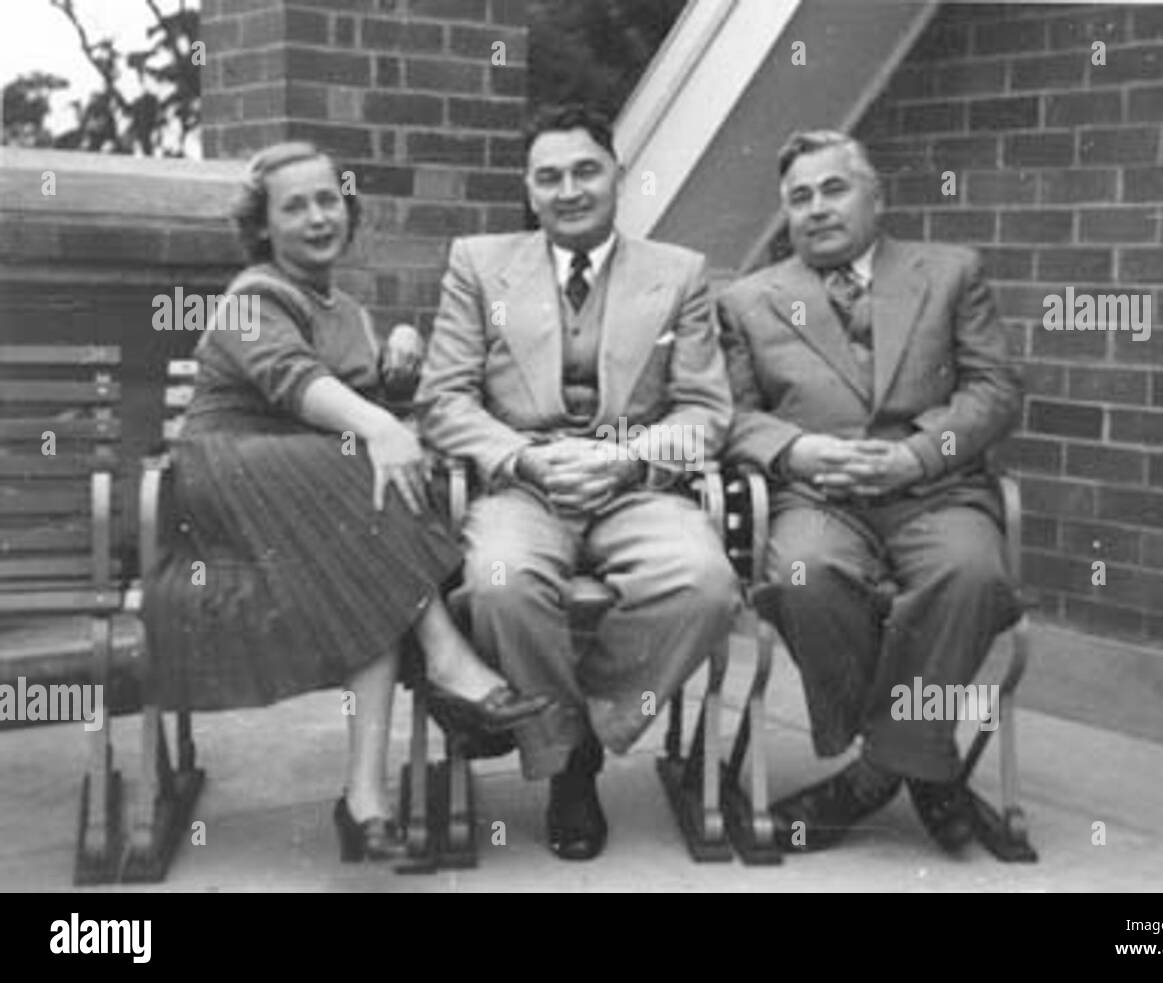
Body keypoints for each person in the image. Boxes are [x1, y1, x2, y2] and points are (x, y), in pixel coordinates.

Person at [141, 142, 550, 864]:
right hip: (226, 480)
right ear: (263, 227)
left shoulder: (350, 311)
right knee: (364, 470)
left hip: (316, 500)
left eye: (329, 199)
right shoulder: (250, 296)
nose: (318, 216)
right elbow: (295, 382)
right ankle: (450, 657)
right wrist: (383, 421)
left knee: (375, 582)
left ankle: (364, 801)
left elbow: (360, 410)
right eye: (294, 205)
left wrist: (397, 356)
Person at [416, 105, 739, 861]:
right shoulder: (478, 263)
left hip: (636, 480)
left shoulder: (679, 272)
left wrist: (629, 461)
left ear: (617, 176)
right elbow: (443, 397)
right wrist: (523, 459)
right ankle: (567, 769)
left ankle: (583, 730)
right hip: (523, 479)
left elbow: (706, 409)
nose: (569, 190)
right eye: (549, 176)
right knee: (498, 582)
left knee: (706, 583)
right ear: (528, 191)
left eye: (586, 170)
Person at [717, 130, 1023, 854]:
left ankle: (873, 773)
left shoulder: (950, 273)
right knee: (804, 575)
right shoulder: (747, 299)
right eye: (799, 198)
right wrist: (795, 449)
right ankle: (926, 760)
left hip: (934, 488)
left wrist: (915, 456)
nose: (816, 209)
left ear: (875, 197)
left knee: (974, 572)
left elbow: (996, 389)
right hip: (815, 497)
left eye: (833, 189)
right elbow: (725, 414)